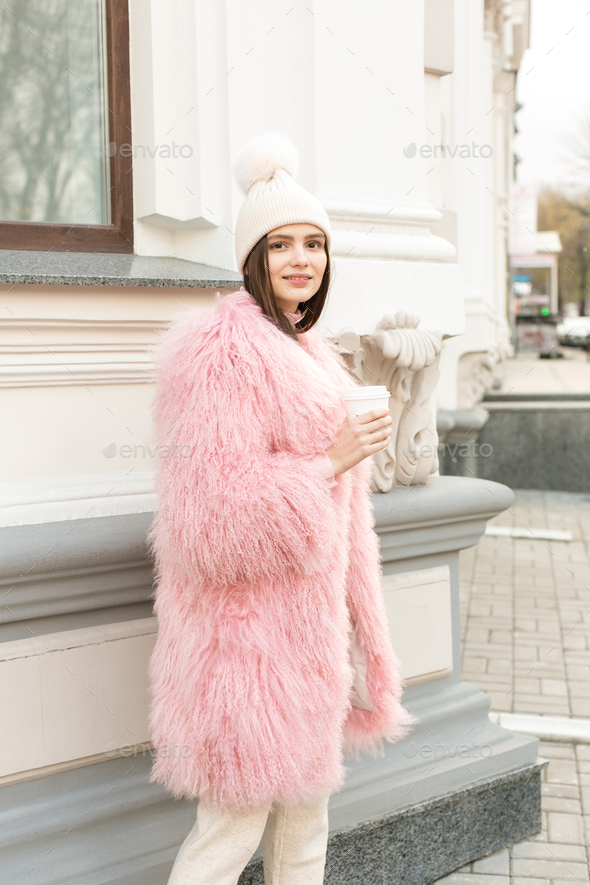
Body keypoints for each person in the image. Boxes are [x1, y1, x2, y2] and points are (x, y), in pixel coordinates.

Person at [147, 131, 417, 885]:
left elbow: (344, 520)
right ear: (251, 259)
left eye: (314, 243)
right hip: (246, 650)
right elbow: (207, 522)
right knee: (226, 837)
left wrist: (362, 633)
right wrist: (330, 460)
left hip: (311, 641)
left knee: (305, 835)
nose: (302, 259)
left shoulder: (308, 349)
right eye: (281, 245)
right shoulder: (219, 352)